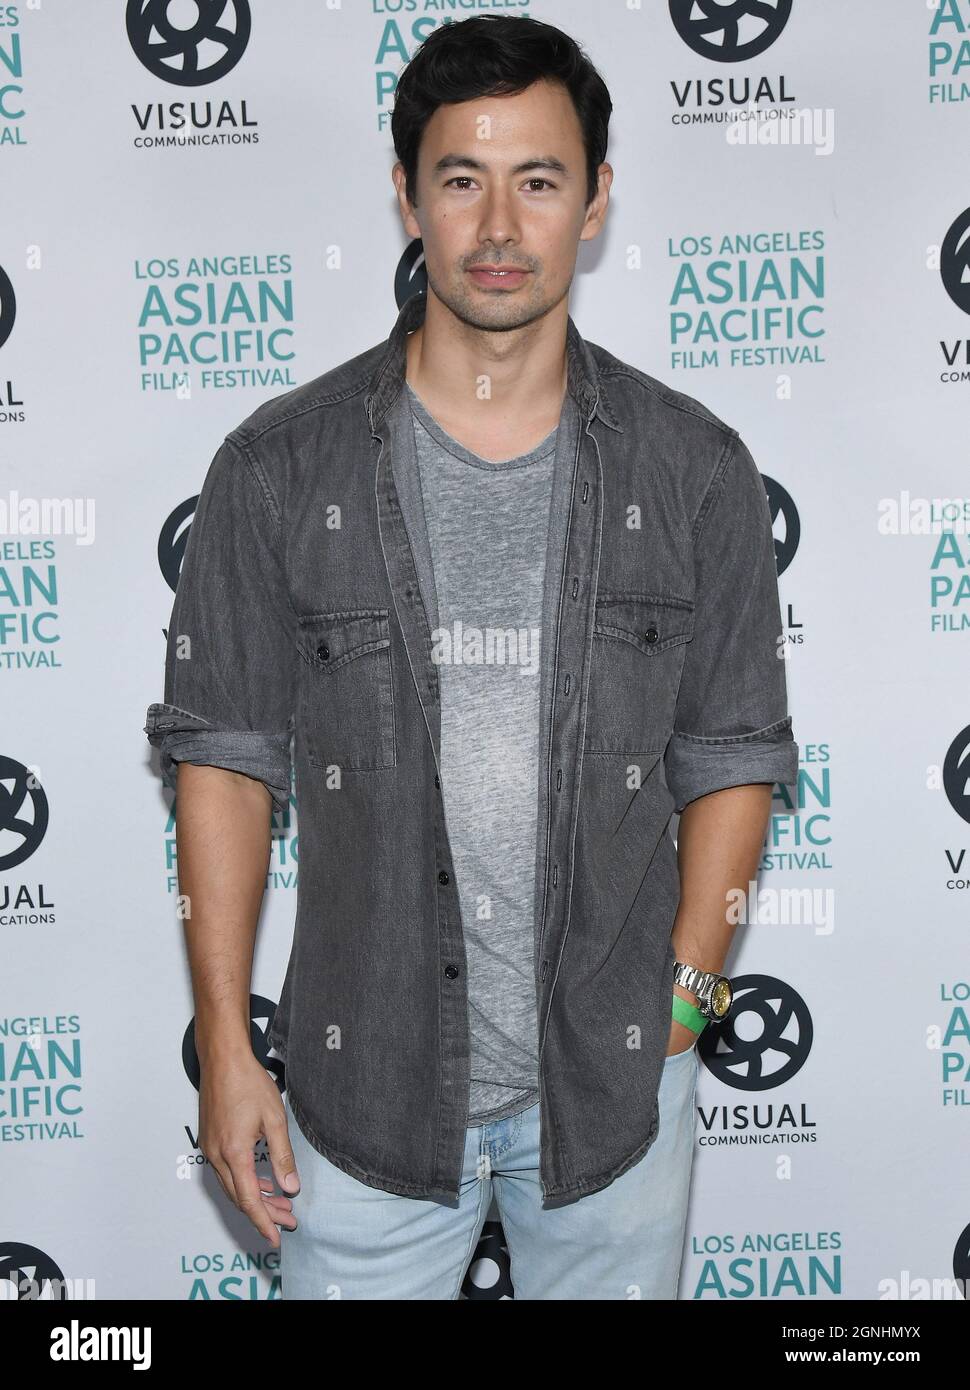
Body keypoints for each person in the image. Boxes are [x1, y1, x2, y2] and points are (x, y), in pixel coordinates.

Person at [144, 13, 798, 1300]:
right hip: (363, 1095)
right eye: (461, 179)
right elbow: (223, 759)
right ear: (406, 198)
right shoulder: (278, 468)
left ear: (595, 200)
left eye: (539, 180)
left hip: (614, 1095)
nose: (499, 227)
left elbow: (730, 759)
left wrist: (684, 1011)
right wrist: (227, 1039)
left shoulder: (695, 472)